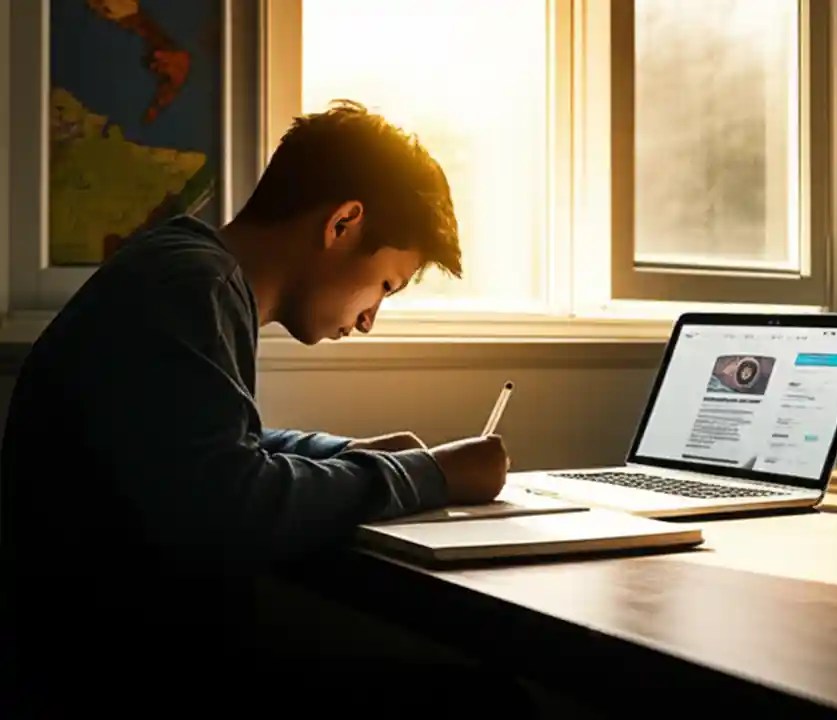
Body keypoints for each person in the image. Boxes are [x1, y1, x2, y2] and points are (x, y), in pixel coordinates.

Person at [0, 100, 528, 716]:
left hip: (111, 657)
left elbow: (216, 444)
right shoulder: (193, 290)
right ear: (343, 224)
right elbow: (229, 504)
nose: (367, 321)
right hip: (113, 680)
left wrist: (346, 454)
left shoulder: (182, 267)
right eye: (384, 285)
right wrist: (430, 476)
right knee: (494, 703)